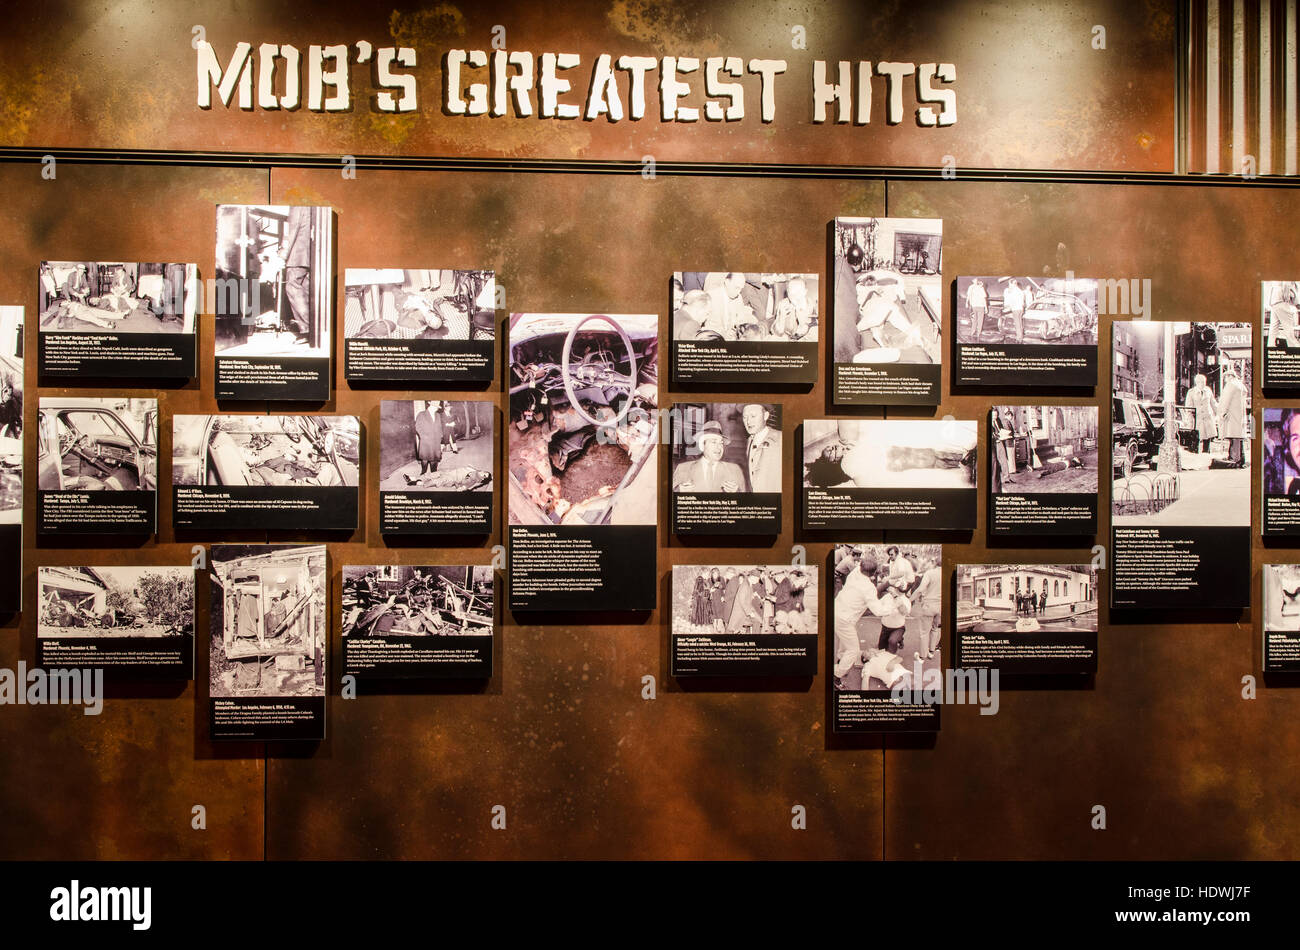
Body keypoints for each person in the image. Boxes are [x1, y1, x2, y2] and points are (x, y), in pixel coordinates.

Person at [833, 553, 888, 686]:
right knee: (853, 650)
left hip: (837, 609)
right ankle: (836, 677)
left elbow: (862, 567)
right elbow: (878, 611)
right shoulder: (869, 588)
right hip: (845, 619)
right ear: (873, 573)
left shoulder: (855, 573)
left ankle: (841, 660)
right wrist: (892, 606)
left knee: (845, 641)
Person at [672, 421, 744, 492]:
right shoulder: (683, 468)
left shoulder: (734, 470)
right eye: (714, 442)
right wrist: (678, 490)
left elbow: (746, 497)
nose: (719, 447)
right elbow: (669, 496)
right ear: (702, 445)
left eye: (721, 443)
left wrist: (737, 492)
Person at [280, 206, 316, 343]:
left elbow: (291, 231)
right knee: (304, 291)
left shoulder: (297, 205)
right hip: (308, 256)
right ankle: (312, 328)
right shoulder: (310, 207)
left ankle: (306, 329)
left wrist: (283, 254)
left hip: (297, 256)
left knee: (293, 288)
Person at [742, 404, 781, 493]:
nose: (748, 421)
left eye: (753, 416)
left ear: (765, 416)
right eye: (745, 417)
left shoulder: (781, 438)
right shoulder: (749, 442)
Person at [911, 556, 942, 661]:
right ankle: (931, 652)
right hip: (941, 606)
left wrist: (909, 600)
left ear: (935, 562)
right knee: (935, 629)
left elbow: (920, 590)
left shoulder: (930, 573)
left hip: (929, 605)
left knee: (924, 632)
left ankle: (922, 656)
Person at [1217, 365, 1248, 468]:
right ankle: (1241, 459)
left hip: (1232, 415)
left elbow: (1226, 400)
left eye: (1226, 377)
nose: (1225, 379)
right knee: (1238, 437)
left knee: (1234, 437)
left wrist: (1222, 413)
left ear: (1230, 376)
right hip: (1239, 416)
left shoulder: (1231, 385)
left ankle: (1234, 459)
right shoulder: (1241, 386)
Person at [1186, 374, 1219, 453]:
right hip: (1197, 418)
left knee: (1207, 436)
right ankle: (1195, 452)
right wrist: (1189, 418)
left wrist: (1218, 413)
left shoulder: (1208, 390)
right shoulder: (1191, 392)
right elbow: (1188, 407)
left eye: (1204, 382)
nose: (1203, 383)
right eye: (1200, 382)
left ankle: (1206, 451)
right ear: (1196, 382)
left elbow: (1213, 403)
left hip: (1207, 416)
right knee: (1197, 436)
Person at [413, 400, 445, 476]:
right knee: (425, 458)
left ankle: (434, 473)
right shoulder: (421, 414)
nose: (437, 409)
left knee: (434, 458)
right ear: (431, 406)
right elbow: (418, 427)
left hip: (436, 440)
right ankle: (423, 473)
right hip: (426, 441)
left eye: (437, 407)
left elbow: (440, 428)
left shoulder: (437, 415)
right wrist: (424, 437)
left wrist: (441, 440)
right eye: (436, 407)